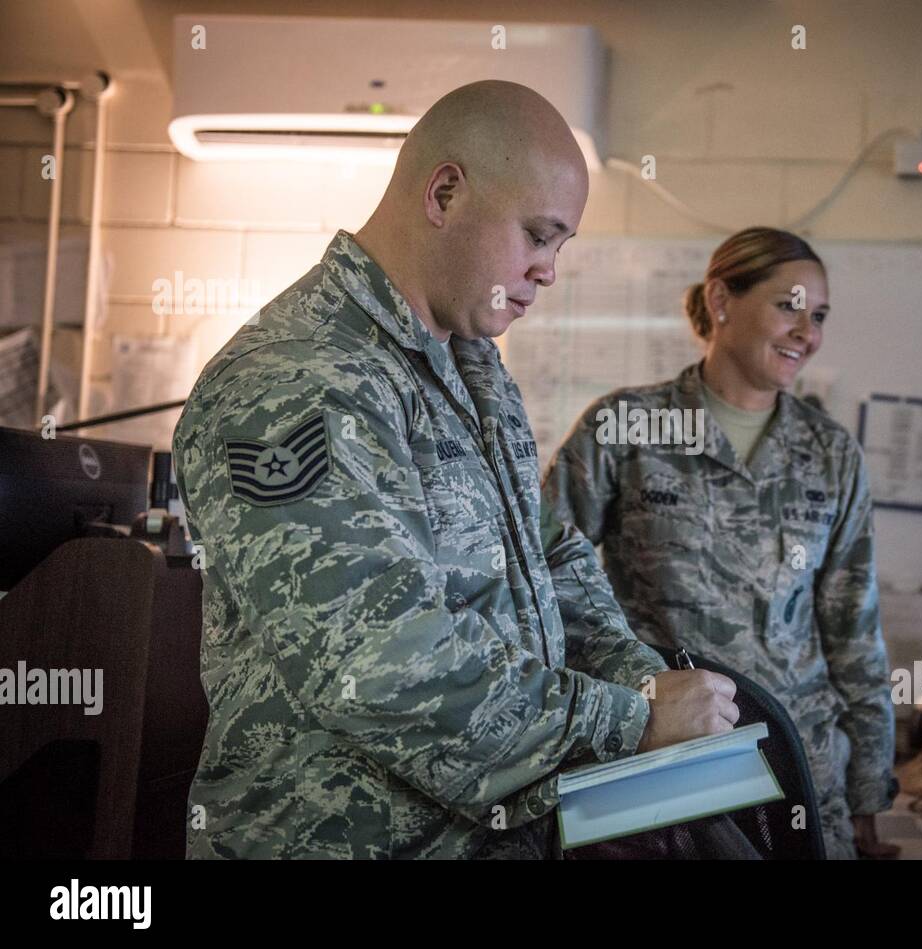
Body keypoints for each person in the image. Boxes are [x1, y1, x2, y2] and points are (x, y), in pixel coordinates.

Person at [173, 80, 738, 860]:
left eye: (560, 248)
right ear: (445, 192)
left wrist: (642, 682)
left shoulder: (468, 363)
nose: (548, 271)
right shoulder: (298, 377)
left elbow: (551, 553)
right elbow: (376, 663)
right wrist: (628, 721)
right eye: (538, 236)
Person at [542, 227, 900, 859]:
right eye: (789, 305)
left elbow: (854, 632)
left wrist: (870, 786)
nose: (806, 332)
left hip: (803, 770)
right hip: (670, 772)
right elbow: (540, 581)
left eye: (817, 316)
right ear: (721, 300)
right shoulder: (625, 429)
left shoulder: (830, 452)